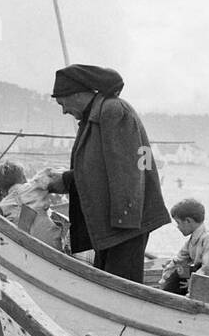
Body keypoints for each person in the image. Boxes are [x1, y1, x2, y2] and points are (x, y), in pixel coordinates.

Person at [51, 64, 169, 282]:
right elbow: (99, 169)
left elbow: (130, 170)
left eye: (62, 103)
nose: (64, 110)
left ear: (76, 94)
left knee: (119, 287)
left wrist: (125, 223)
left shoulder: (114, 111)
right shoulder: (95, 116)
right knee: (106, 284)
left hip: (126, 223)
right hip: (113, 224)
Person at [159, 199, 209, 300]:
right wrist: (163, 282)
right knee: (179, 271)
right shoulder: (193, 240)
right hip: (206, 276)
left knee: (183, 274)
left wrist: (192, 284)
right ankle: (165, 296)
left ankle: (182, 298)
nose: (178, 227)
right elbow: (178, 261)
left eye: (178, 223)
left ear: (188, 221)